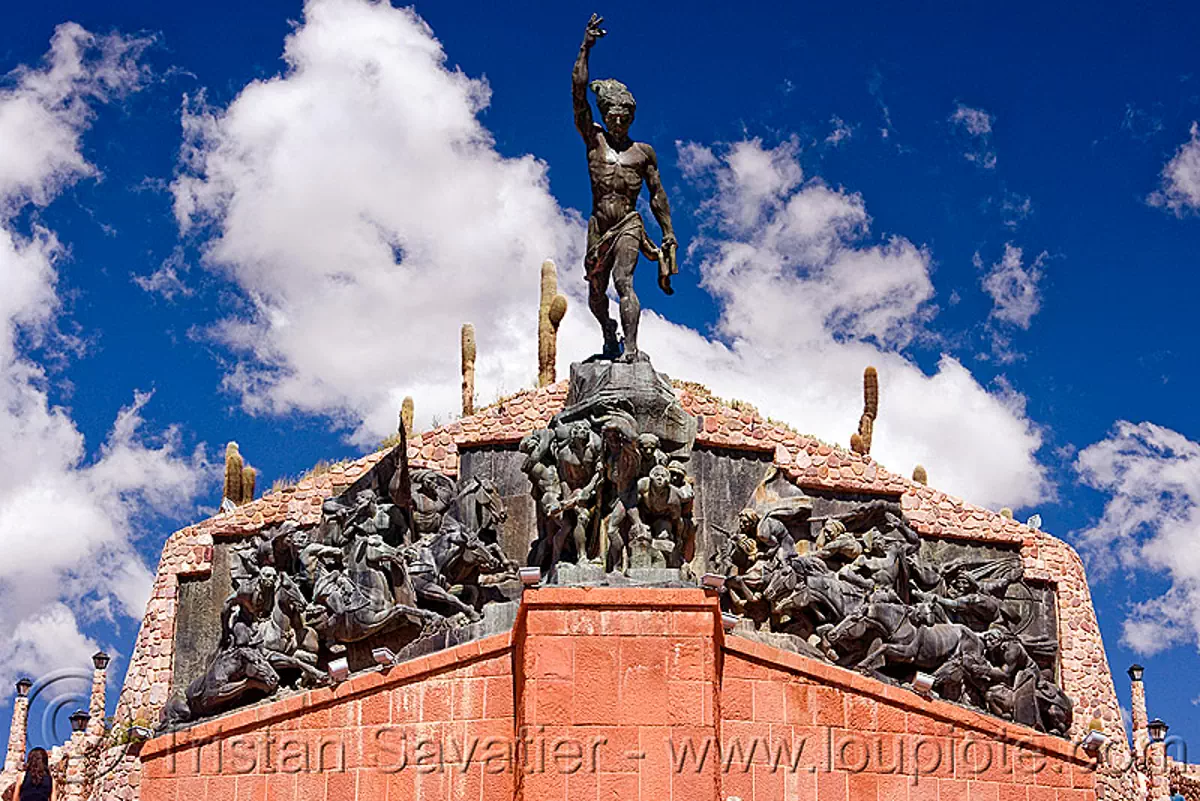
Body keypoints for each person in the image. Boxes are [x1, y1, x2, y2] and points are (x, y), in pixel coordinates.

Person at [572, 14, 678, 362]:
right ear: (607, 114)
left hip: (629, 224)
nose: (618, 122)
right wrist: (586, 47)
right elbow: (578, 93)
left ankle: (630, 349)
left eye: (625, 118)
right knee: (596, 293)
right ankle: (608, 330)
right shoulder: (594, 139)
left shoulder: (642, 153)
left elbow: (657, 194)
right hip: (598, 227)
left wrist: (668, 234)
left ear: (631, 118)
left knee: (624, 282)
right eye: (613, 116)